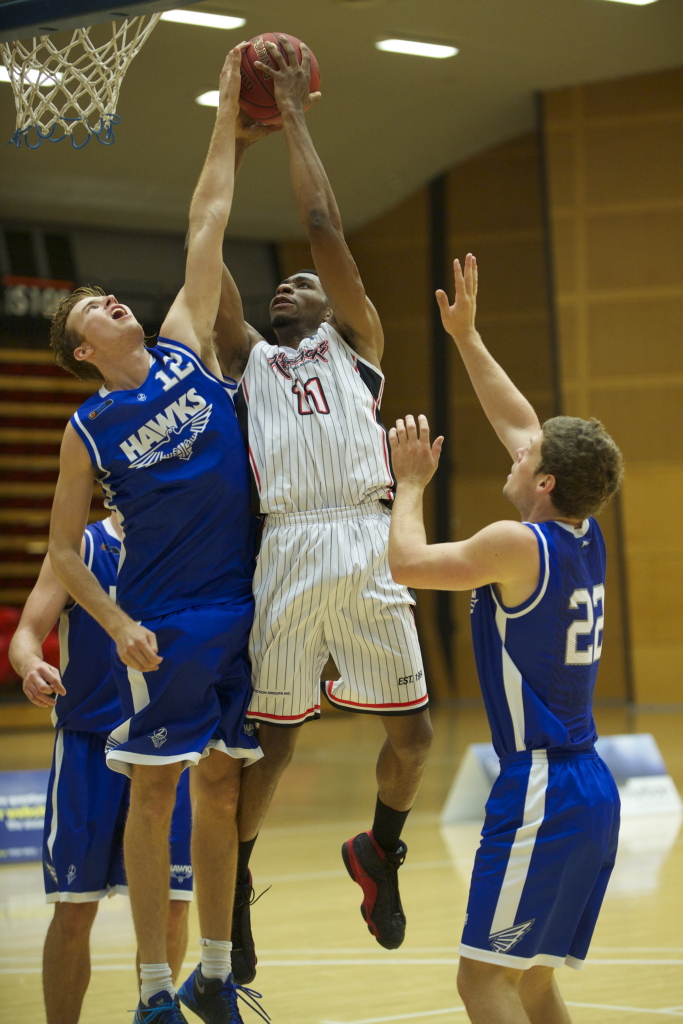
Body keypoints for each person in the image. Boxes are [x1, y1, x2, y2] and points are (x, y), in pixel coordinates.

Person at [45, 45, 267, 1024]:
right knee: (153, 795)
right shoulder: (87, 427)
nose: (110, 298)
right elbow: (60, 555)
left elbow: (207, 219)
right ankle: (147, 993)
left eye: (106, 293)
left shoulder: (185, 342)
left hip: (241, 603)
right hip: (167, 619)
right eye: (92, 307)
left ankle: (213, 974)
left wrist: (225, 113)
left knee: (221, 791)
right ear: (84, 351)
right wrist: (116, 618)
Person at [211, 36, 433, 985]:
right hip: (291, 546)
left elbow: (321, 226)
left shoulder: (361, 345)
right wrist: (228, 131)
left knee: (414, 739)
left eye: (305, 283)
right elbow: (201, 254)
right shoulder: (250, 362)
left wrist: (295, 111)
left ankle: (380, 850)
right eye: (283, 288)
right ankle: (235, 883)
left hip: (367, 530)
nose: (291, 284)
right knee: (279, 741)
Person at [386, 253, 623, 1024]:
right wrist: (466, 336)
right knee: (531, 981)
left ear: (546, 481)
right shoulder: (579, 530)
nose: (516, 448)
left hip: (542, 790)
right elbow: (519, 420)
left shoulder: (515, 544)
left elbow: (407, 563)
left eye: (529, 457)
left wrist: (411, 485)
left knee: (481, 982)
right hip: (586, 786)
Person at [9, 513, 192, 1024]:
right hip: (88, 747)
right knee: (74, 908)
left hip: (161, 743)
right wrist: (30, 666)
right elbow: (25, 635)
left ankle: (152, 1015)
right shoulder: (81, 548)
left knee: (174, 904)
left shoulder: (184, 537)